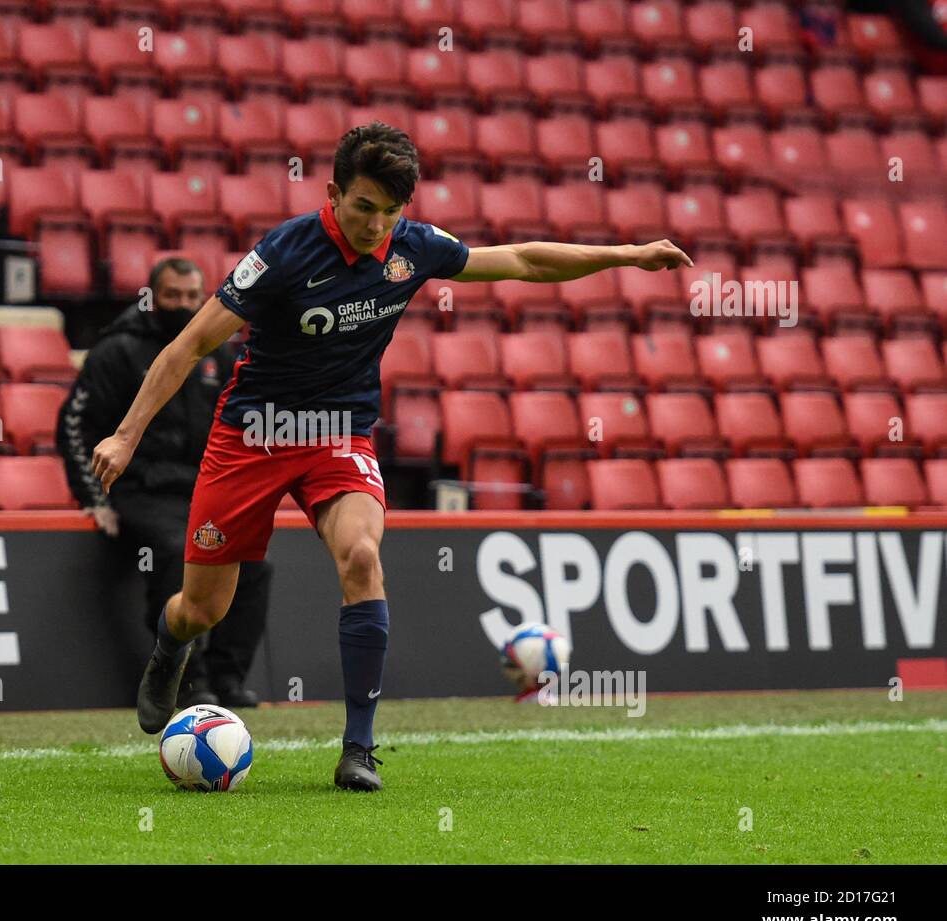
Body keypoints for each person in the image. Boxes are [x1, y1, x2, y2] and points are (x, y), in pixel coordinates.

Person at [90, 122, 692, 790]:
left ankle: (358, 747)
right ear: (333, 193)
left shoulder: (413, 248)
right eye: (364, 207)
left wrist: (628, 254)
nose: (377, 225)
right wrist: (126, 433)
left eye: (391, 212)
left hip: (339, 433)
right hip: (253, 434)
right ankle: (172, 643)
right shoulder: (283, 254)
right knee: (203, 609)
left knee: (363, 556)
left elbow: (522, 261)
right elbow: (187, 348)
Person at [56, 256, 271, 710]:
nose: (183, 305)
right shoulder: (117, 350)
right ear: (152, 296)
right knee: (176, 551)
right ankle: (187, 680)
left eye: (193, 297)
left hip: (200, 488)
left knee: (253, 564)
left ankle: (229, 681)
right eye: (172, 296)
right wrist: (93, 499)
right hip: (141, 491)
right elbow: (74, 426)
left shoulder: (219, 350)